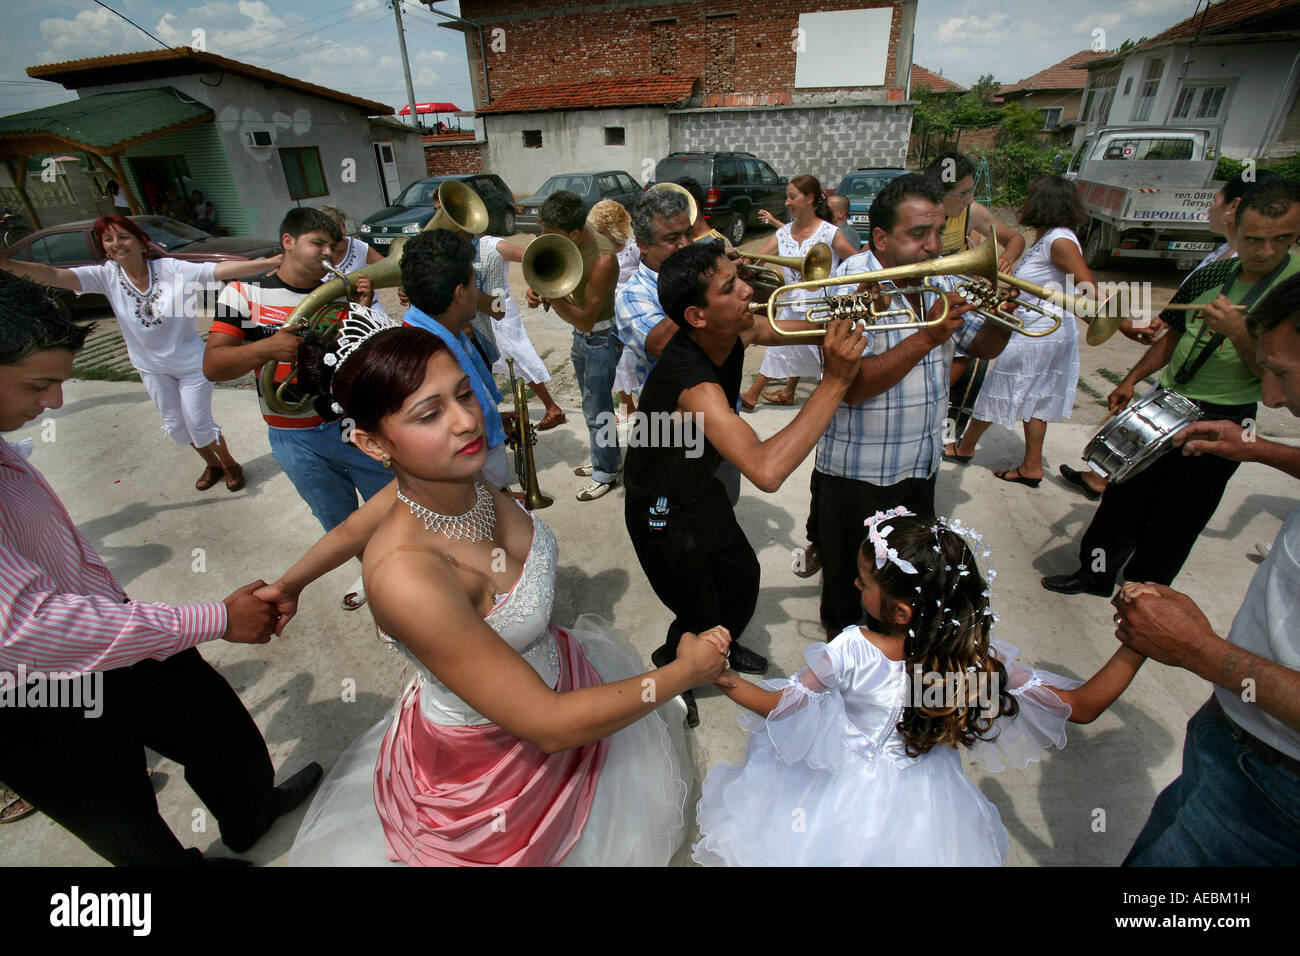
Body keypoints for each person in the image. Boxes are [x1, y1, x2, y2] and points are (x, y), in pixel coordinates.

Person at [255, 315, 724, 865]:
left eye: (464, 394)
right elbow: (547, 725)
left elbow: (353, 527)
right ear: (372, 443)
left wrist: (291, 583)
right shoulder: (407, 579)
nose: (465, 421)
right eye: (429, 413)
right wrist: (682, 675)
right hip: (499, 768)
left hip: (562, 678)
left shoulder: (445, 476)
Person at [0, 270, 320, 865]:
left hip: (116, 632)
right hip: (34, 699)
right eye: (39, 385)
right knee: (129, 829)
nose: (55, 403)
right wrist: (212, 618)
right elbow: (27, 629)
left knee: (224, 738)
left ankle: (251, 818)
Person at [694, 509, 1145, 865]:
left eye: (864, 581)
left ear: (900, 611)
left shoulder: (852, 649)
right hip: (928, 806)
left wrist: (721, 676)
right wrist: (1137, 646)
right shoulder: (978, 659)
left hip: (838, 794)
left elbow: (780, 707)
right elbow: (1081, 706)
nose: (855, 584)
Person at [624, 242, 868, 726]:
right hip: (661, 510)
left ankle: (718, 649)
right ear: (697, 315)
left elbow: (775, 328)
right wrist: (836, 380)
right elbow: (766, 470)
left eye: (740, 277)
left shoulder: (734, 330)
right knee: (698, 610)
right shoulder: (692, 384)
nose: (748, 290)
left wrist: (852, 317)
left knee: (742, 579)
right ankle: (676, 668)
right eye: (730, 287)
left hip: (700, 489)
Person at [1113, 272, 1300, 865]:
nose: (1270, 399)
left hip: (1276, 792)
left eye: (1285, 375)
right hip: (1236, 737)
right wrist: (1262, 450)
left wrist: (1198, 650)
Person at [1042, 178, 1300, 597]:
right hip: (1166, 399)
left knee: (1180, 515)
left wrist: (1238, 332)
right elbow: (1174, 336)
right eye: (1253, 239)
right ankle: (1094, 575)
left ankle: (1147, 594)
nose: (1266, 252)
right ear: (1235, 225)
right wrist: (1130, 380)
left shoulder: (1294, 291)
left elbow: (1278, 379)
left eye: (1283, 239)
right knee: (1122, 495)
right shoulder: (1213, 273)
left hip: (1225, 414)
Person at [815, 173, 1011, 639]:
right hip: (858, 476)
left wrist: (1005, 316)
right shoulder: (851, 283)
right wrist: (927, 338)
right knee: (849, 595)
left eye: (938, 231)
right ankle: (844, 684)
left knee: (903, 590)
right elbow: (853, 386)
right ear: (880, 238)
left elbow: (979, 345)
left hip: (919, 467)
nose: (933, 245)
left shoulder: (938, 276)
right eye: (918, 234)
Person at [0, 215, 281, 492]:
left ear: (141, 241)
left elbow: (218, 270)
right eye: (108, 239)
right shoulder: (106, 276)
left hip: (191, 364)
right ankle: (213, 465)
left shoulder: (171, 269)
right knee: (177, 426)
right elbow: (54, 275)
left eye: (123, 237)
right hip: (151, 368)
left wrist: (270, 263)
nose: (115, 244)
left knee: (198, 422)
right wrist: (7, 264)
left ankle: (230, 464)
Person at [205, 207, 392, 611]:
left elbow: (361, 356)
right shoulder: (242, 294)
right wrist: (267, 348)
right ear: (288, 242)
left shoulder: (338, 289)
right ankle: (377, 577)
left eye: (334, 245)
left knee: (392, 507)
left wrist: (364, 310)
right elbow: (213, 366)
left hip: (349, 424)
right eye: (317, 243)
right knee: (341, 523)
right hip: (293, 436)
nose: (328, 253)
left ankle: (405, 571)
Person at [1059, 168, 1285, 501]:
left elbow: (1268, 375)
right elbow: (1184, 317)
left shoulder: (1262, 274)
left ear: (1233, 207)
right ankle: (1103, 481)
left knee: (1171, 504)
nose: (1209, 207)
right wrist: (1144, 357)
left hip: (1211, 408)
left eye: (1216, 199)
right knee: (1131, 486)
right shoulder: (1218, 258)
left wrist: (1236, 333)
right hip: (1172, 388)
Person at [945, 175, 1096, 484]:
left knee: (996, 389)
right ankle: (1031, 466)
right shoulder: (1052, 237)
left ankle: (965, 447)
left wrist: (1117, 317)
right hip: (1045, 331)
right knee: (1037, 401)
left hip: (1037, 332)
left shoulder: (1059, 240)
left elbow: (1087, 287)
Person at [398, 229, 513, 493]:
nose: (477, 292)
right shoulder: (430, 359)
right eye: (475, 283)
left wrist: (493, 419)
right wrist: (497, 496)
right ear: (460, 294)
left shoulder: (446, 335)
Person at [525, 191, 622, 500]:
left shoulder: (603, 259)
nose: (544, 240)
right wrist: (538, 291)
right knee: (591, 405)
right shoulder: (569, 243)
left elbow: (584, 319)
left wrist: (549, 294)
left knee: (598, 409)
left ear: (575, 234)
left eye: (550, 235)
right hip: (585, 339)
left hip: (599, 338)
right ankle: (603, 456)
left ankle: (605, 472)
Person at [740, 174, 858, 409]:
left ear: (810, 198)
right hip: (792, 305)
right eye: (787, 197)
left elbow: (857, 260)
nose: (786, 202)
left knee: (819, 354)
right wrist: (743, 264)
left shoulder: (828, 232)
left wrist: (847, 287)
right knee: (783, 350)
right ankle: (769, 393)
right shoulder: (783, 234)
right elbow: (756, 261)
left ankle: (829, 397)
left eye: (792, 197)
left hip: (822, 308)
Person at [482, 233, 566, 429]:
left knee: (520, 357)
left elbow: (533, 258)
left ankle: (552, 408)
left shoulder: (495, 245)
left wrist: (536, 287)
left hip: (498, 308)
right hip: (477, 311)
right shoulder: (455, 246)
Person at [591, 198, 642, 424]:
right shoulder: (600, 250)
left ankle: (644, 402)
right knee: (620, 359)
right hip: (613, 311)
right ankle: (627, 404)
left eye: (604, 231)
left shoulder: (633, 247)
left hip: (634, 307)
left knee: (637, 356)